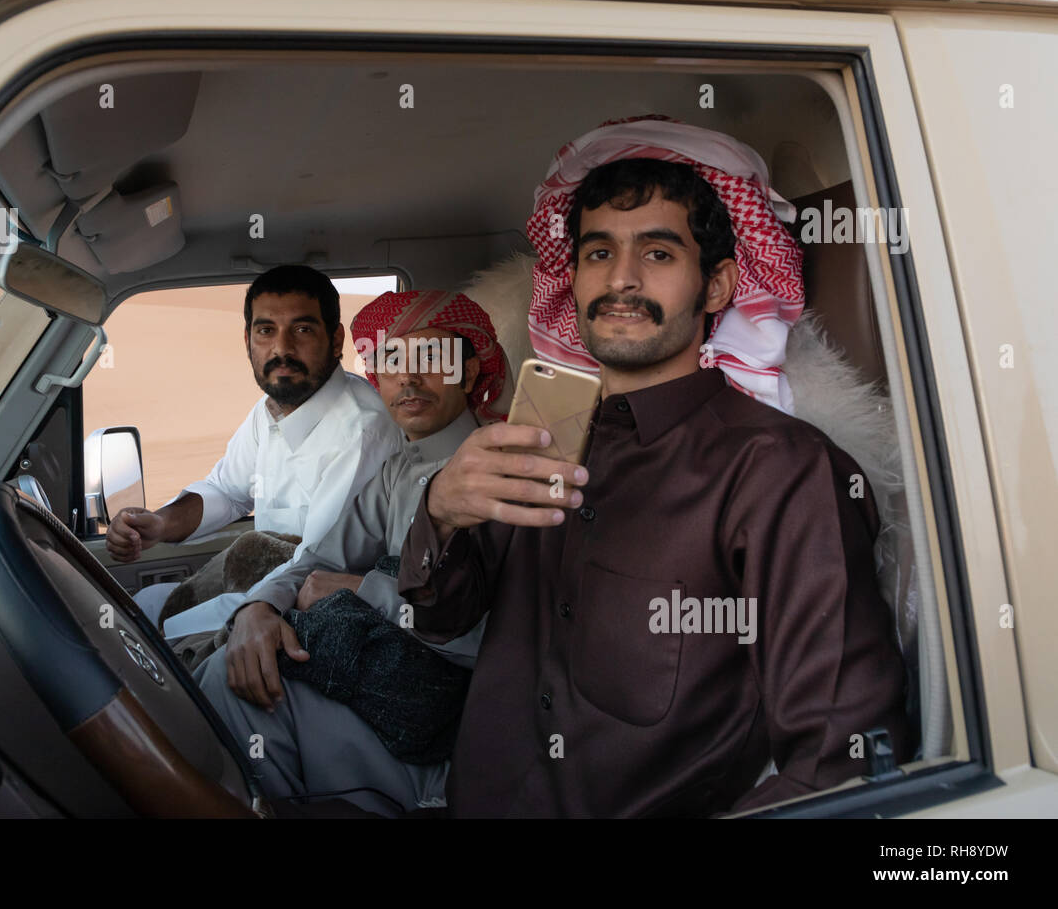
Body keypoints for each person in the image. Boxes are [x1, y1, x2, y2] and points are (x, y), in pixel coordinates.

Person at [396, 115, 912, 817]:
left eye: (660, 253)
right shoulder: (544, 430)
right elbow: (440, 615)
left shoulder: (780, 473)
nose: (622, 279)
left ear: (720, 285)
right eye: (599, 252)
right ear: (570, 279)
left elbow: (840, 765)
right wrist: (442, 513)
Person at [193, 289, 510, 815]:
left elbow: (497, 638)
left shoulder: (503, 474)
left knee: (238, 691)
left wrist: (366, 589)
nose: (407, 379)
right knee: (232, 663)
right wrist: (260, 607)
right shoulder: (398, 471)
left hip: (455, 724)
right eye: (390, 361)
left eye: (431, 359)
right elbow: (319, 558)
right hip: (389, 682)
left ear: (471, 373)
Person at [106, 265, 399, 631]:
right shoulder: (270, 410)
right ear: (248, 340)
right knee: (139, 607)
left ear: (336, 340)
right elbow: (227, 492)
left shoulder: (362, 430)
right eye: (266, 331)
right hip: (269, 590)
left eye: (303, 329)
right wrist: (160, 524)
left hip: (310, 615)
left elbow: (317, 567)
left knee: (147, 631)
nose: (282, 349)